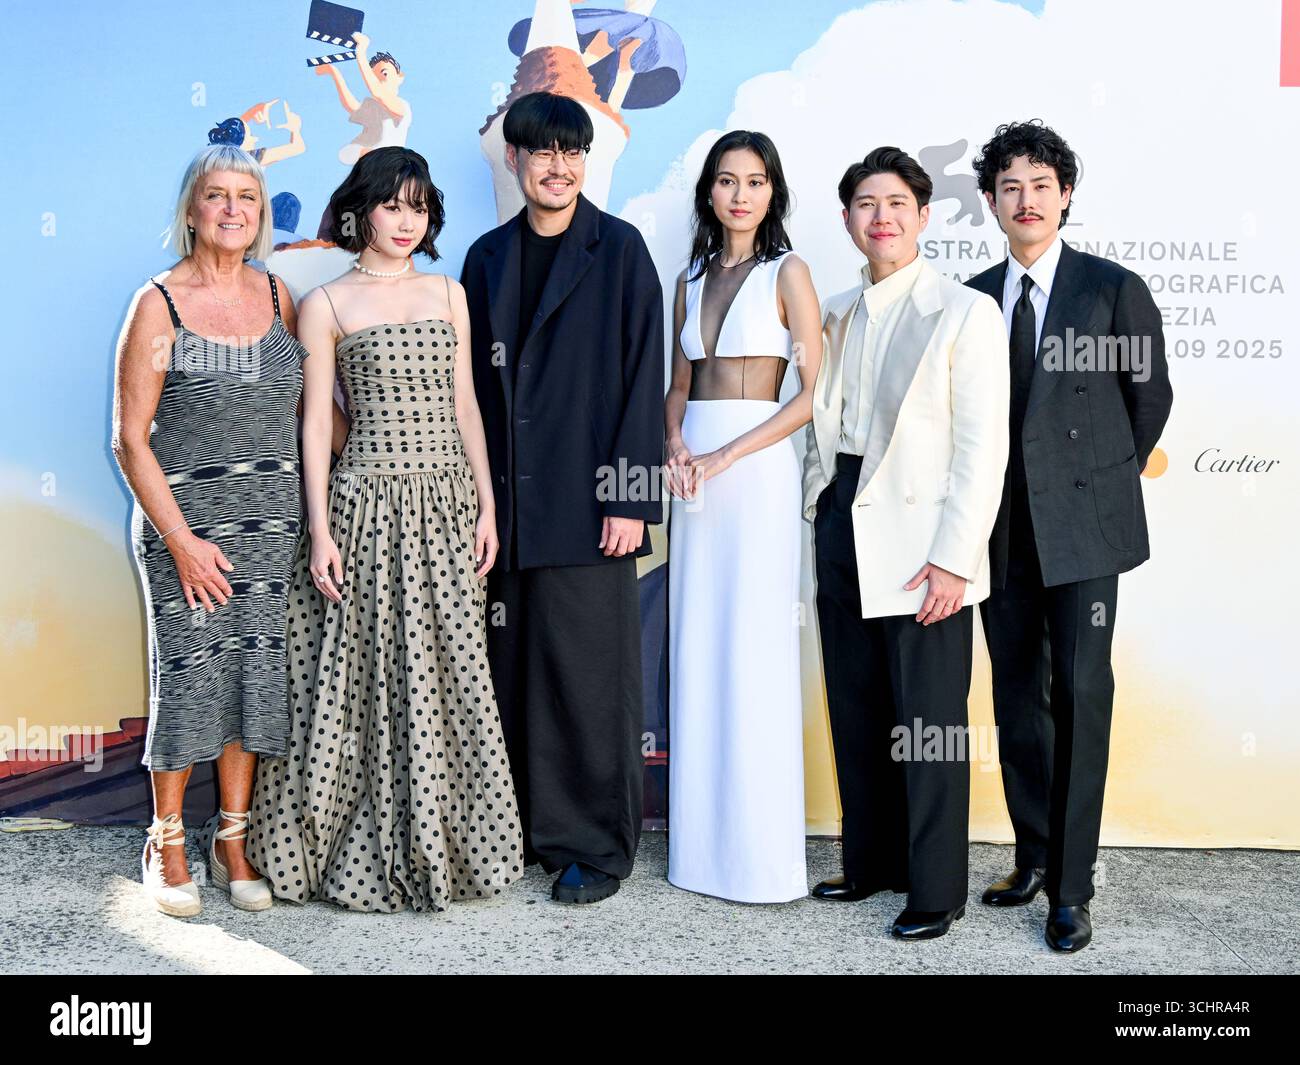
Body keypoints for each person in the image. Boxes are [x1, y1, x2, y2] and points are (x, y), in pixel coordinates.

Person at [246, 146, 523, 913]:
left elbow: (467, 403)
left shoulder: (448, 291)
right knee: (360, 675)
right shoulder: (326, 303)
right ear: (360, 209)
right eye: (393, 205)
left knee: (451, 673)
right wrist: (321, 526)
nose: (408, 221)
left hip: (447, 505)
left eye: (420, 206)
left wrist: (488, 505)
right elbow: (313, 425)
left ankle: (449, 848)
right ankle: (349, 848)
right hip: (365, 504)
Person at [966, 121, 1172, 952]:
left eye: (1041, 185)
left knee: (1082, 698)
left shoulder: (1110, 288)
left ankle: (1074, 887)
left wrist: (1092, 483)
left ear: (1066, 195)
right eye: (1010, 186)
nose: (1026, 200)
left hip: (1085, 529)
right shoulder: (974, 297)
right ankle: (1033, 854)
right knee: (1017, 697)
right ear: (989, 202)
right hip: (999, 528)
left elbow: (1147, 399)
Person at [460, 91, 665, 904]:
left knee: (586, 679)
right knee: (512, 675)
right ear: (515, 160)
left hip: (593, 507)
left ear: (586, 161)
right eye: (541, 152)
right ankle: (518, 831)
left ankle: (593, 846)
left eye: (571, 153)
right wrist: (474, 506)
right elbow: (469, 390)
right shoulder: (486, 258)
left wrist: (629, 499)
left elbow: (644, 378)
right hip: (506, 512)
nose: (557, 166)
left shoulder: (620, 251)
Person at [803, 147, 1009, 939]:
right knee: (856, 703)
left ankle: (935, 888)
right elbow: (821, 423)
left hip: (925, 538)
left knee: (927, 716)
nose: (879, 215)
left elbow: (980, 448)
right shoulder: (837, 310)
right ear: (849, 219)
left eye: (895, 202)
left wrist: (958, 557)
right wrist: (817, 497)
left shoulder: (963, 311)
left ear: (923, 216)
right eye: (864, 203)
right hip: (843, 518)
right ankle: (870, 862)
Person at [112, 144, 313, 916]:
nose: (233, 210)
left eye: (248, 198)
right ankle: (165, 839)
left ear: (261, 215)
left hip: (271, 529)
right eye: (217, 196)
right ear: (191, 210)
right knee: (191, 676)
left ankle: (231, 839)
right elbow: (132, 437)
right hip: (185, 532)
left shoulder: (278, 295)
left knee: (255, 676)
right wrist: (183, 542)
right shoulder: (157, 303)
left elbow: (304, 413)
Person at [663, 130, 822, 903]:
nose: (739, 195)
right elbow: (678, 385)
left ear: (772, 193)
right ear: (710, 194)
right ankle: (699, 851)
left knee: (755, 648)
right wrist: (673, 444)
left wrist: (729, 455)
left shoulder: (790, 272)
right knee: (699, 641)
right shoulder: (688, 278)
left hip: (756, 472)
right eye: (726, 181)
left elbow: (810, 395)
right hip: (693, 472)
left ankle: (762, 859)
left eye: (755, 181)